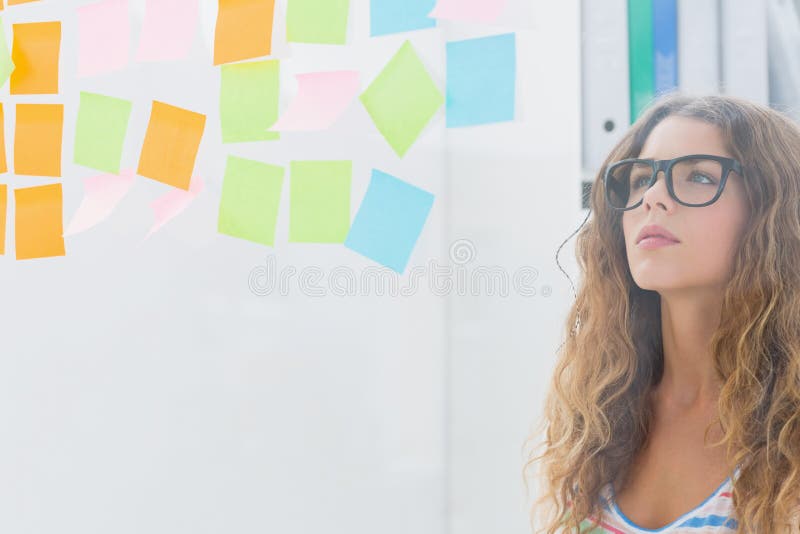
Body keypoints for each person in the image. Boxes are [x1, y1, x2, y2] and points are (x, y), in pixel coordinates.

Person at [523, 92, 800, 533]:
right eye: (639, 179)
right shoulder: (597, 419)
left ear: (772, 215)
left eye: (699, 178)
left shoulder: (789, 436)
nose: (653, 197)